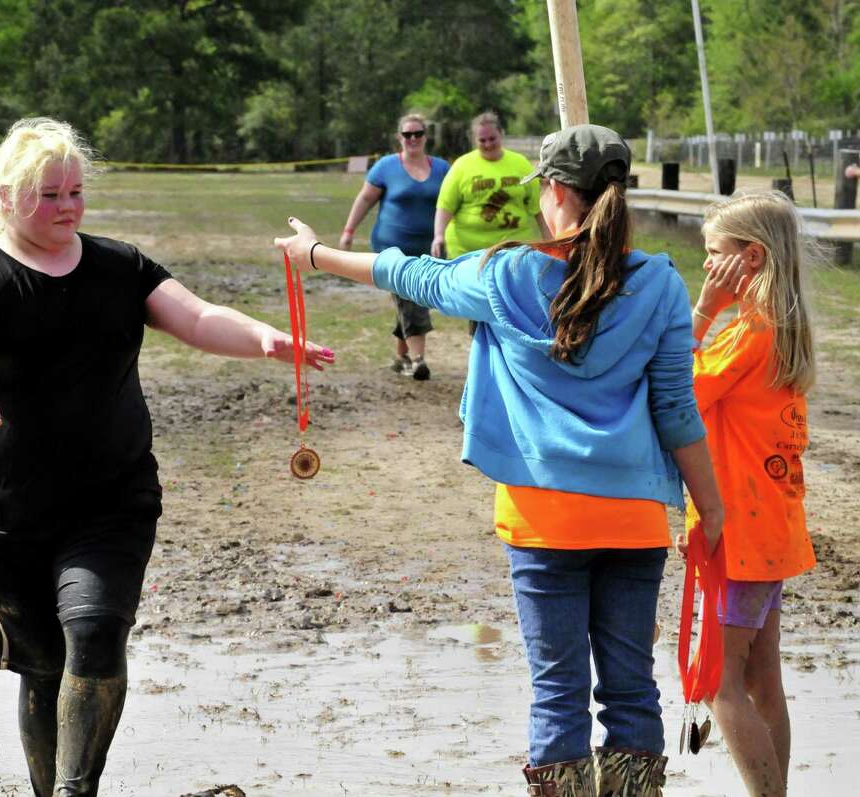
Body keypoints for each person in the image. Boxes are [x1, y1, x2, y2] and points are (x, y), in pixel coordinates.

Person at [276, 124, 725, 796]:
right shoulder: (660, 283)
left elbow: (408, 273)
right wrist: (710, 507)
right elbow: (676, 410)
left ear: (552, 192)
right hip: (634, 522)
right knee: (632, 690)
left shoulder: (506, 272)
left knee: (558, 694)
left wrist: (312, 253)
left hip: (543, 522)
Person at [0, 117, 333, 796]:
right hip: (8, 510)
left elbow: (199, 317)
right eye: (50, 195)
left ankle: (73, 792)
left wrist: (268, 340)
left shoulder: (120, 265)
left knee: (94, 631)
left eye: (75, 192)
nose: (68, 207)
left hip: (110, 498)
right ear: (6, 195)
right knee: (43, 667)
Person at [681, 192, 817, 797]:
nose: (707, 265)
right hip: (773, 528)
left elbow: (674, 389)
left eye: (714, 254)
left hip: (736, 533)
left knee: (719, 681)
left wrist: (703, 309)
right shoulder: (781, 330)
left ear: (751, 258)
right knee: (763, 676)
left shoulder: (743, 336)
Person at [339, 113, 449, 380]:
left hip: (428, 250)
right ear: (399, 137)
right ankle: (418, 360)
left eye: (418, 134)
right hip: (391, 249)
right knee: (411, 297)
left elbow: (453, 204)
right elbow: (365, 200)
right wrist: (348, 231)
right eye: (407, 134)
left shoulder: (443, 169)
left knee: (414, 298)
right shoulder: (386, 167)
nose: (413, 139)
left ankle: (400, 357)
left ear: (425, 136)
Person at [431, 111, 546, 261]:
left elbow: (539, 208)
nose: (488, 144)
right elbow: (445, 206)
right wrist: (439, 236)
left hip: (515, 253)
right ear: (474, 140)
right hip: (469, 254)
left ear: (501, 134)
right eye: (482, 140)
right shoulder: (461, 166)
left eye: (492, 139)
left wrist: (550, 241)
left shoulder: (521, 163)